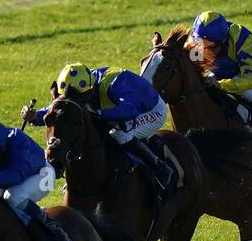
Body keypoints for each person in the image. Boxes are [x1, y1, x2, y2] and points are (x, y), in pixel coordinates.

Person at [25, 63, 174, 196]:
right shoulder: (83, 86)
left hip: (149, 110)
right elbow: (62, 111)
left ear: (88, 91)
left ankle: (159, 166)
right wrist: (35, 116)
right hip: (121, 109)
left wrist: (100, 115)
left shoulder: (115, 83)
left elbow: (130, 110)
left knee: (119, 134)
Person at [189, 11, 252, 153]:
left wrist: (221, 85)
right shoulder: (196, 41)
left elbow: (250, 80)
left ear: (222, 42)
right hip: (222, 73)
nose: (202, 50)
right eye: (199, 43)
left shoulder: (242, 37)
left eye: (208, 46)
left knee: (245, 90)